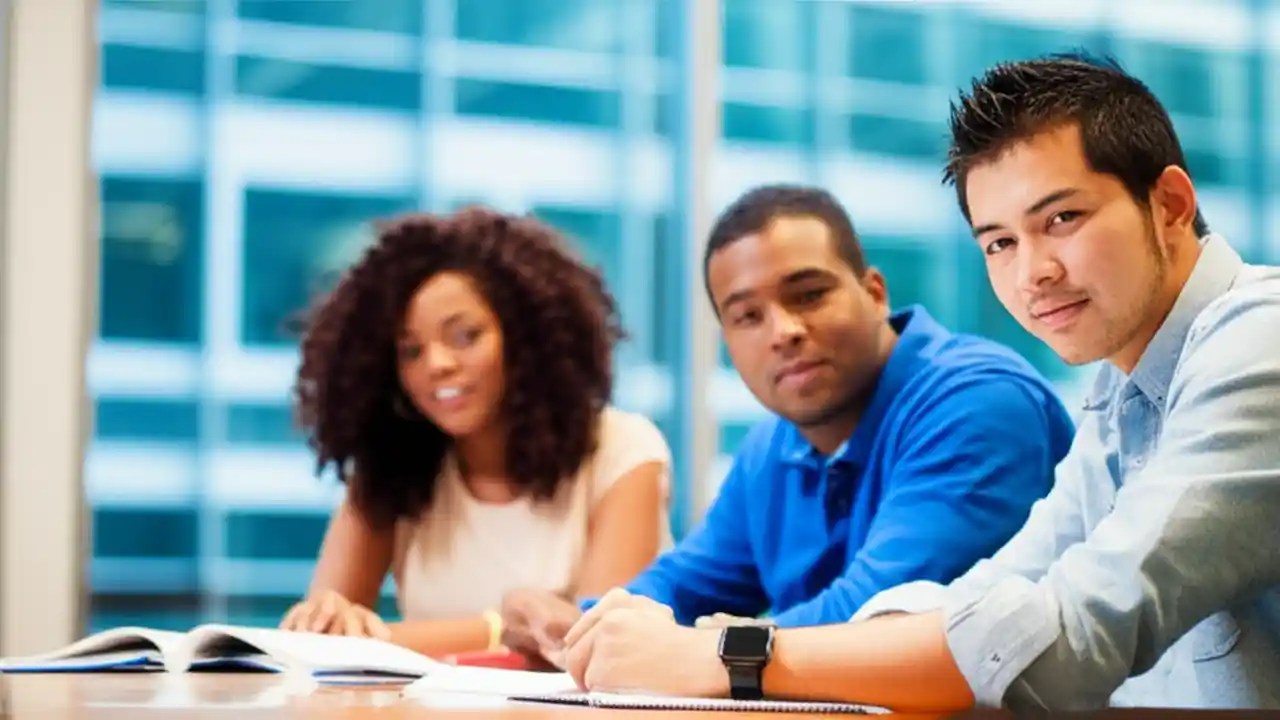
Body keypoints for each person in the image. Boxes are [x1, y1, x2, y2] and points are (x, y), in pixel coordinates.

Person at [558, 53, 1280, 712]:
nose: (1033, 273)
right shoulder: (1124, 391)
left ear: (1171, 205)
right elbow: (985, 594)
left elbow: (1061, 637)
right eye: (999, 242)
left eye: (1062, 219)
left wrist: (727, 654)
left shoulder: (1258, 344)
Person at [501, 184, 1075, 665]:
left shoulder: (980, 401)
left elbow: (878, 614)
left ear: (874, 293)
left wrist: (692, 649)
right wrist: (580, 624)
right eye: (747, 316)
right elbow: (682, 585)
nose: (782, 331)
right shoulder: (772, 447)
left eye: (809, 294)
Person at [279, 207, 673, 658]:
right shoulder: (393, 468)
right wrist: (327, 618)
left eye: (464, 336)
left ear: (527, 338)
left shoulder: (623, 451)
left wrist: (374, 640)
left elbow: (597, 647)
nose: (436, 364)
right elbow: (319, 642)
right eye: (410, 350)